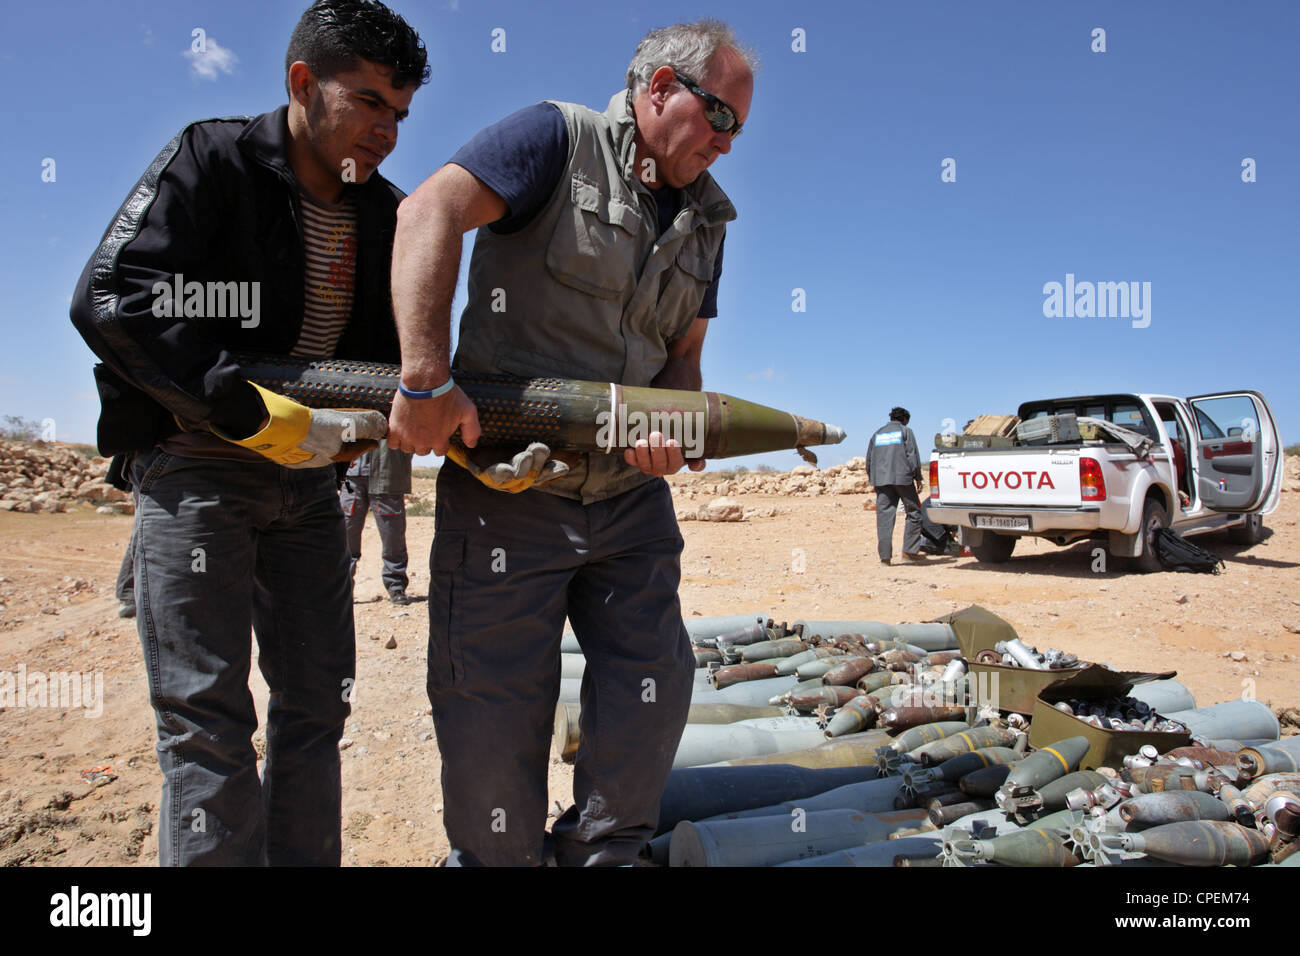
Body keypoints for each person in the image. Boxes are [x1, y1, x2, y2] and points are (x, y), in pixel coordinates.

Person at [387, 19, 756, 866]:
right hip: (511, 498)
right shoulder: (553, 137)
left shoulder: (710, 218)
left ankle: (603, 855)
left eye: (740, 128)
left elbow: (685, 357)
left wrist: (674, 423)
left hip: (630, 505)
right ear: (660, 86)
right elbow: (428, 210)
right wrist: (423, 376)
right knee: (492, 717)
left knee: (651, 699)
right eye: (721, 119)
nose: (728, 146)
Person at [68, 0, 428, 865]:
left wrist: (359, 434)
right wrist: (244, 412)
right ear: (303, 83)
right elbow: (112, 298)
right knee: (206, 720)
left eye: (401, 113)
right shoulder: (213, 159)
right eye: (371, 101)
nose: (386, 130)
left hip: (310, 489)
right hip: (197, 470)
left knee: (317, 708)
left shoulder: (388, 214)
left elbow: (401, 365)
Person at [341, 443, 413, 604]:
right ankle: (343, 589)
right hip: (352, 476)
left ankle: (396, 586)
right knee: (346, 535)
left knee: (393, 536)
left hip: (388, 474)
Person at [868, 407, 925, 564]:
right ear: (905, 419)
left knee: (884, 517)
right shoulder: (905, 431)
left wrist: (873, 480)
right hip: (903, 479)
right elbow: (912, 455)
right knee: (914, 513)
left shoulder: (877, 434)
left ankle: (885, 558)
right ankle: (909, 553)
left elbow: (869, 460)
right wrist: (918, 477)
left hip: (881, 481)